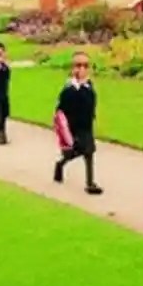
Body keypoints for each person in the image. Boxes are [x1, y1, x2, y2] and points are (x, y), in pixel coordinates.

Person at [53, 51, 102, 195]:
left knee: (89, 151)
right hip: (72, 127)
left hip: (86, 126)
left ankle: (90, 183)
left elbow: (91, 104)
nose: (82, 69)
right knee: (75, 151)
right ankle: (61, 164)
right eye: (78, 65)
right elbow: (61, 112)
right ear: (72, 68)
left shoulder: (89, 86)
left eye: (86, 66)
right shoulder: (69, 89)